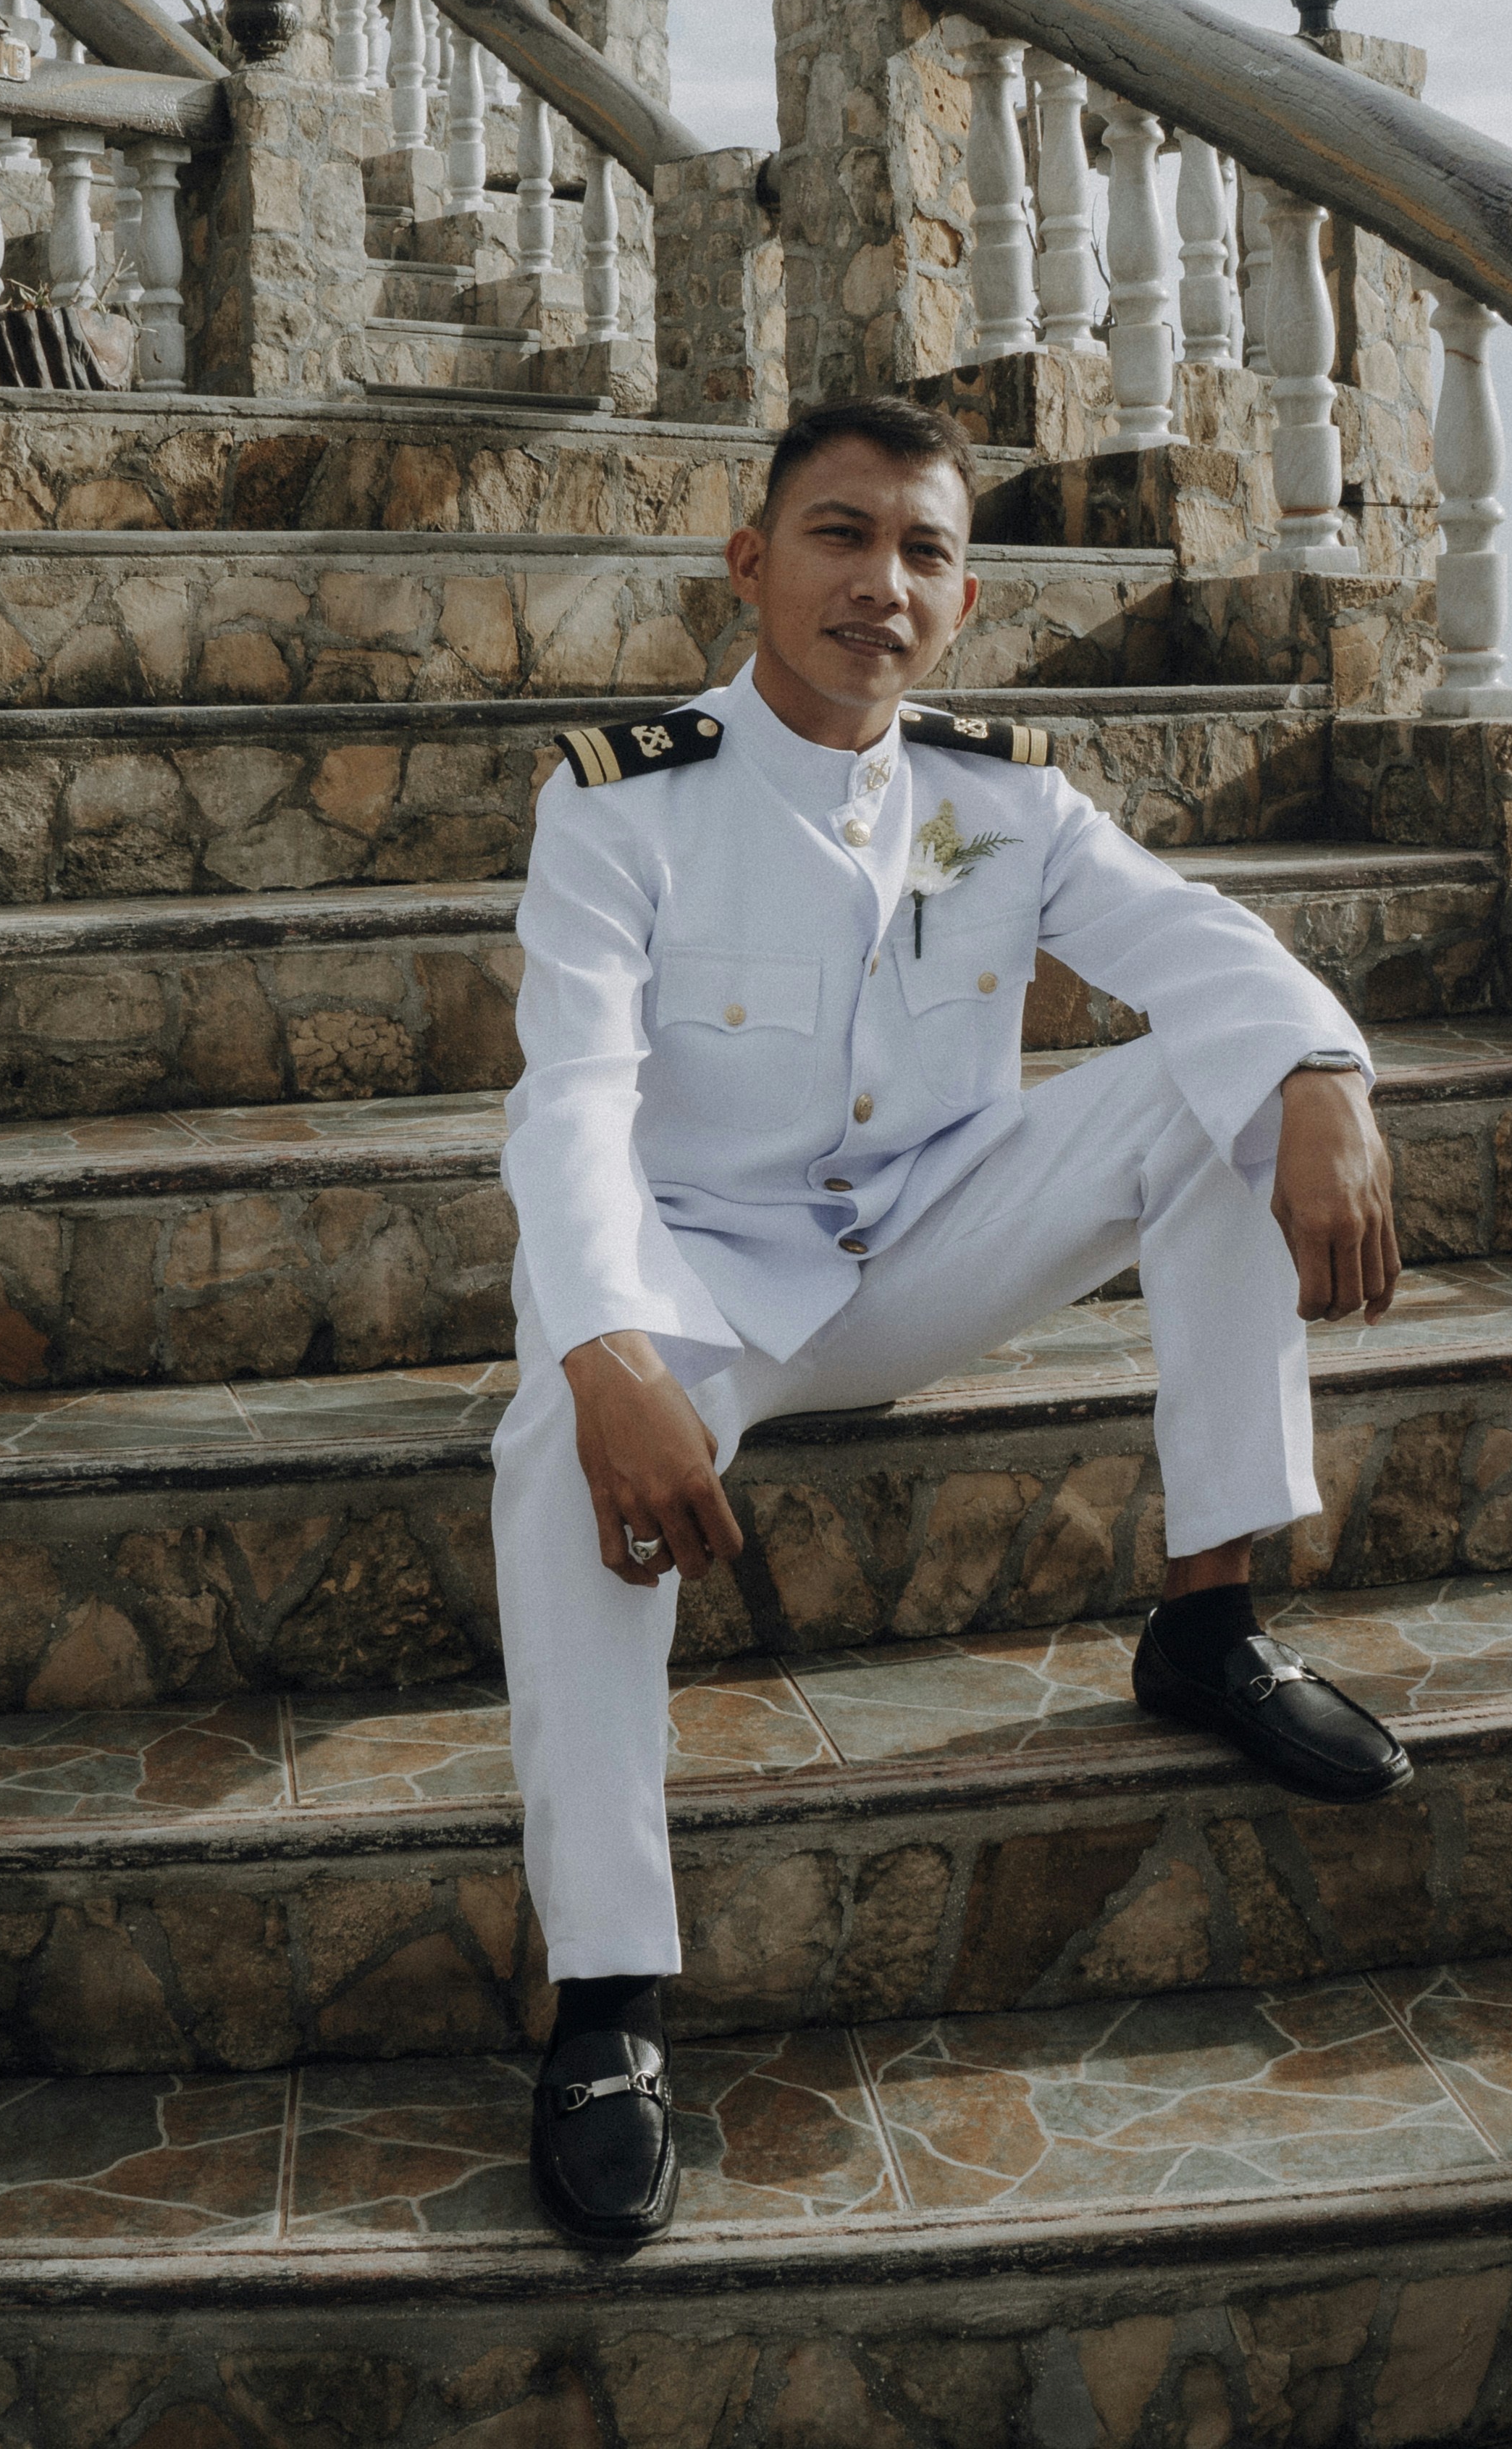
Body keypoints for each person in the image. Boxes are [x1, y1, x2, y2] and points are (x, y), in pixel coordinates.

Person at [497, 393, 1415, 2248]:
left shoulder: (994, 803)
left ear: (964, 596)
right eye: (839, 536)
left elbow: (1186, 933)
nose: (879, 582)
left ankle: (1211, 1622)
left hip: (927, 1237)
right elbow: (569, 1105)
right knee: (550, 1452)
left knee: (1223, 1077)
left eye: (921, 549)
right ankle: (605, 1999)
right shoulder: (627, 804)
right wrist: (605, 1349)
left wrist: (1322, 1069)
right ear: (752, 564)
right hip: (707, 1273)